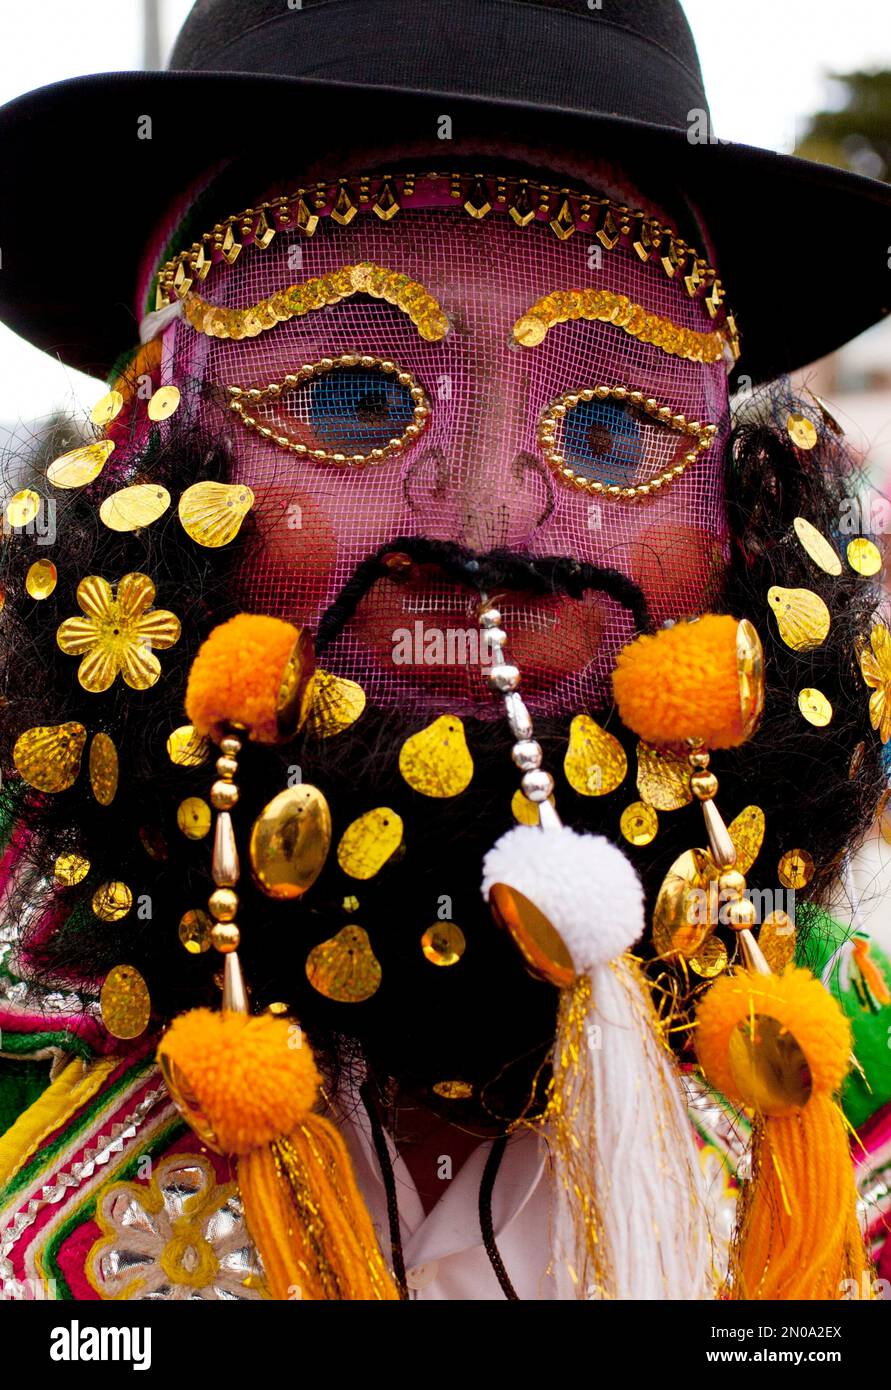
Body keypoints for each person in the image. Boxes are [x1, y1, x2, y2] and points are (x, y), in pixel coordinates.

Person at [0, 0, 889, 1302]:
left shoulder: (831, 1053)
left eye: (609, 428)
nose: (488, 517)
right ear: (155, 459)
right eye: (353, 401)